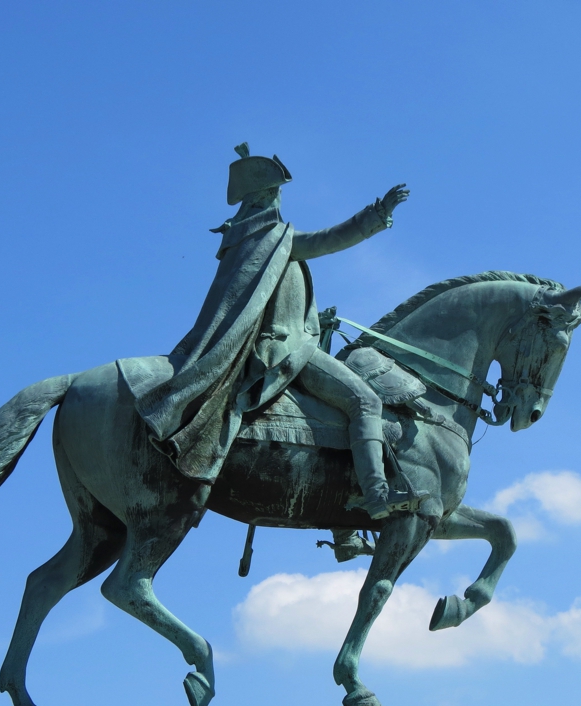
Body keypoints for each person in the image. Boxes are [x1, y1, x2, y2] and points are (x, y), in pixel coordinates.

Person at [129, 143, 427, 519]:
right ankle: (376, 494)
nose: (279, 199)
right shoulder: (272, 239)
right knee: (365, 402)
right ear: (265, 197)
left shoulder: (244, 241)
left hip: (281, 344)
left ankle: (345, 526)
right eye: (276, 192)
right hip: (285, 352)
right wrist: (378, 213)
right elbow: (329, 239)